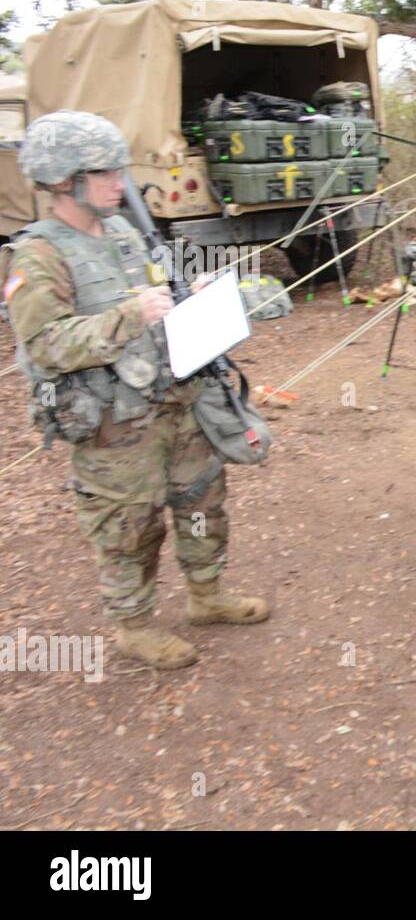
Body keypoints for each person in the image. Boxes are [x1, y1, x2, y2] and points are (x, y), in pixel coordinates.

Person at [2, 110, 269, 670]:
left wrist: (189, 294)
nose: (119, 183)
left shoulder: (124, 231)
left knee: (202, 500)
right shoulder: (38, 255)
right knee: (130, 525)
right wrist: (129, 315)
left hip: (174, 397)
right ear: (63, 180)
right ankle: (134, 625)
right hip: (111, 422)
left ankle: (206, 594)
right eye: (105, 173)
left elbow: (158, 296)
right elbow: (44, 344)